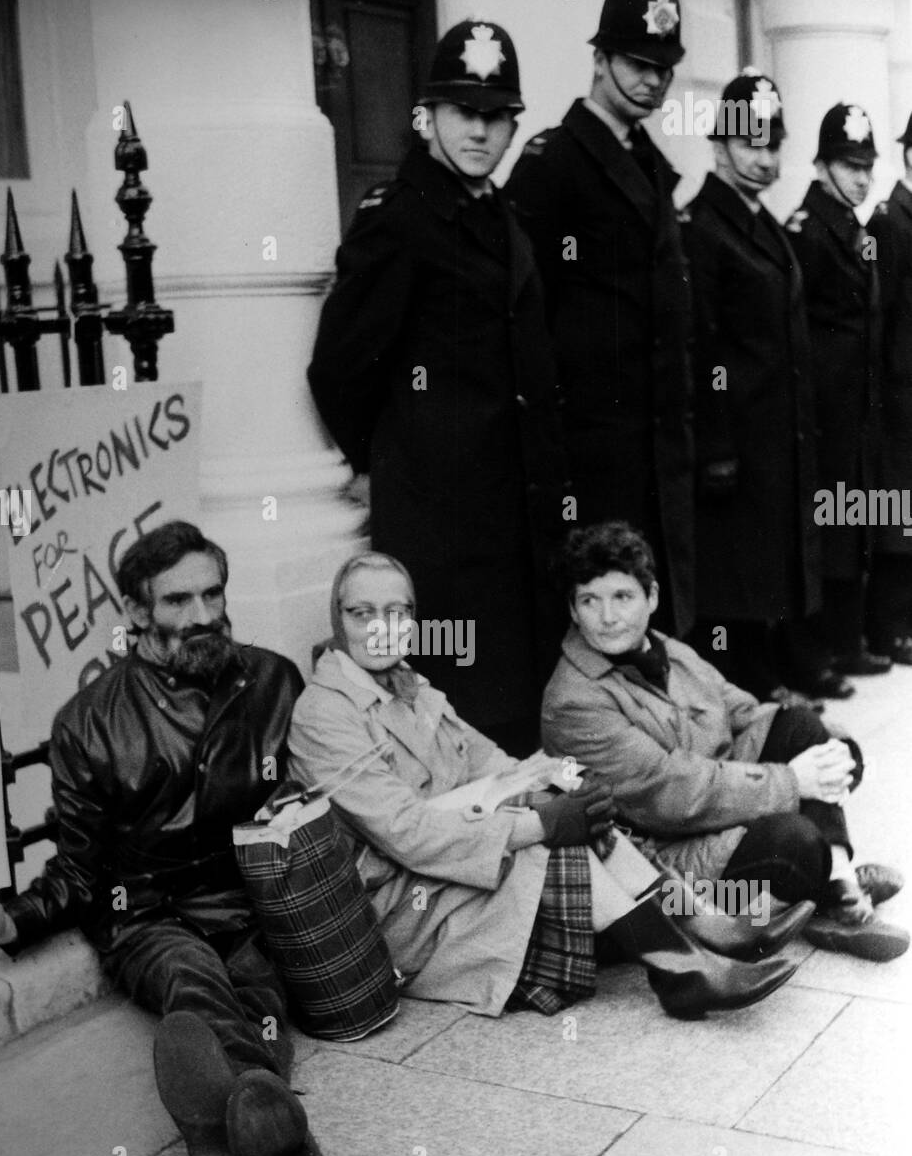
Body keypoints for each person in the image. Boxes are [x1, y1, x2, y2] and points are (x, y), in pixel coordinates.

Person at [0, 521, 329, 1156]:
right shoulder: (88, 721)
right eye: (178, 600)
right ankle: (279, 1140)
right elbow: (79, 873)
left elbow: (301, 802)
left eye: (213, 593)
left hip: (248, 902)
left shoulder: (272, 679)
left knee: (262, 996)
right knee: (192, 978)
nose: (203, 615)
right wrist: (6, 917)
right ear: (137, 612)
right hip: (146, 912)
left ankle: (215, 1139)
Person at [286, 551, 802, 1024]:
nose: (383, 629)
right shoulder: (324, 713)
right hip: (404, 902)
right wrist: (539, 821)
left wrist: (558, 785)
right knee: (550, 844)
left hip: (453, 861)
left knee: (572, 816)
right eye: (363, 614)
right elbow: (407, 833)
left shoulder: (412, 687)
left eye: (398, 612)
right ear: (338, 620)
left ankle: (705, 929)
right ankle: (682, 968)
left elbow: (492, 761)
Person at [308, 20, 571, 757]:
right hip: (443, 526)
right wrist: (385, 461)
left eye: (496, 117)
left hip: (512, 521)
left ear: (515, 124)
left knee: (520, 713)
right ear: (429, 115)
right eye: (464, 113)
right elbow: (339, 366)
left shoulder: (501, 217)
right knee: (462, 718)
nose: (480, 132)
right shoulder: (399, 220)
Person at [541, 522, 908, 964]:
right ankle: (831, 886)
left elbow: (743, 712)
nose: (608, 616)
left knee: (805, 727)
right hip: (665, 857)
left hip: (712, 806)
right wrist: (792, 781)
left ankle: (837, 888)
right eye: (589, 601)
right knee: (795, 840)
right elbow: (668, 793)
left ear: (652, 597)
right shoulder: (572, 700)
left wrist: (833, 748)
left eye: (622, 597)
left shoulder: (668, 650)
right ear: (573, 610)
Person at [507, 0, 694, 639]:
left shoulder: (650, 163)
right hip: (589, 440)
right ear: (601, 58)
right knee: (598, 603)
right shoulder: (553, 162)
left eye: (663, 68)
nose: (653, 81)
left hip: (653, 434)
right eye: (638, 63)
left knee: (648, 598)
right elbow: (526, 309)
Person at [680, 71, 829, 707]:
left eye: (772, 144)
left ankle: (769, 675)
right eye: (750, 144)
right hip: (734, 435)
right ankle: (747, 688)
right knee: (736, 570)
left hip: (775, 427)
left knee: (767, 559)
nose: (764, 158)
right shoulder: (700, 226)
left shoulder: (760, 222)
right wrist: (715, 446)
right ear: (718, 146)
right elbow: (699, 344)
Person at [785, 103, 890, 681]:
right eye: (849, 164)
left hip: (856, 410)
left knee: (854, 532)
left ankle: (846, 643)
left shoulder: (851, 227)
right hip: (824, 414)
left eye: (866, 166)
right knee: (826, 537)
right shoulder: (808, 229)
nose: (860, 177)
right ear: (822, 164)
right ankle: (817, 654)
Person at [865, 110, 912, 667]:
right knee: (896, 516)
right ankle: (890, 626)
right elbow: (879, 316)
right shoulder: (890, 221)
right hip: (898, 397)